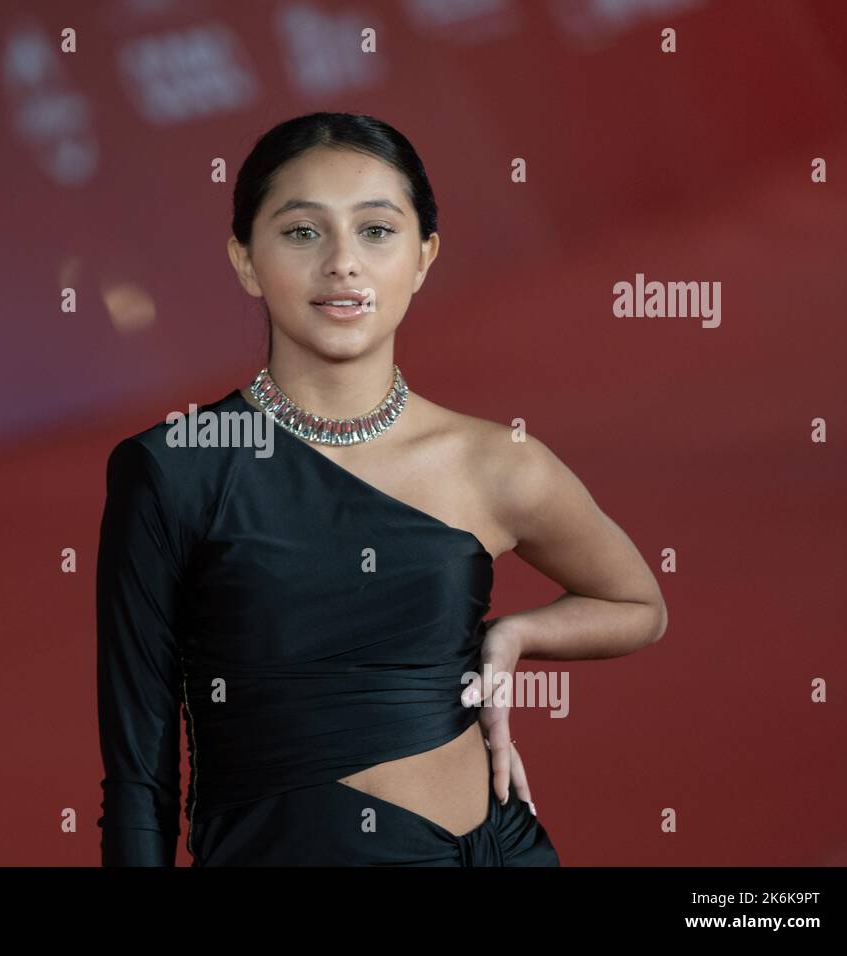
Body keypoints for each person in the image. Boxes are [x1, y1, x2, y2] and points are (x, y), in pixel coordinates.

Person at [95, 111, 668, 866]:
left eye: (377, 230)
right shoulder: (175, 467)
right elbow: (139, 773)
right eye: (302, 232)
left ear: (424, 256)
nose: (343, 264)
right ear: (244, 260)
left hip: (504, 849)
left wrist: (515, 635)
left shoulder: (495, 459)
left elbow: (639, 607)